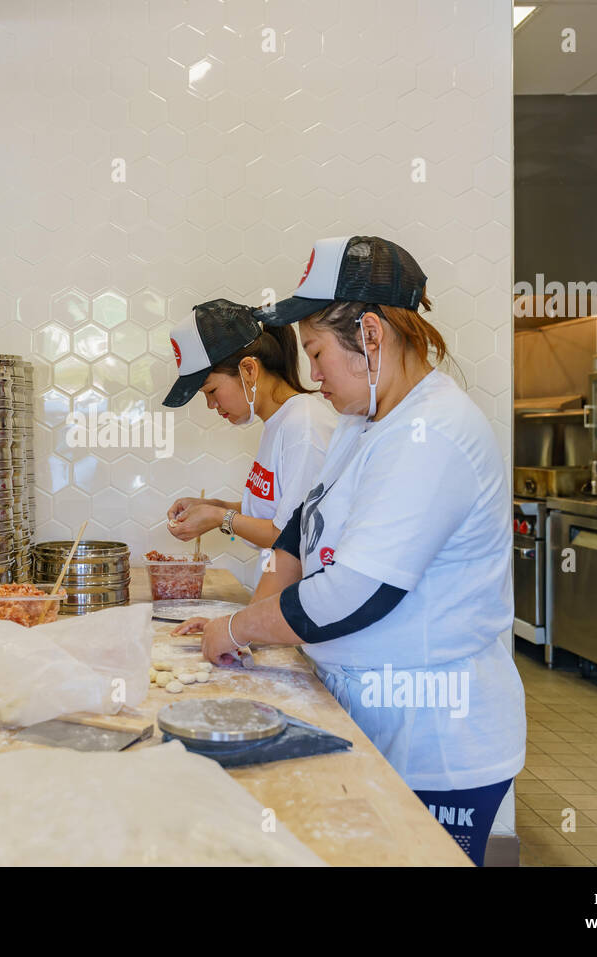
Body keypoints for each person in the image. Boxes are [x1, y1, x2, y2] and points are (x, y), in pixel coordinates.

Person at [175, 236, 526, 865]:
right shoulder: (366, 422)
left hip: (432, 739)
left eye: (316, 352)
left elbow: (356, 592)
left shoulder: (433, 433)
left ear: (370, 336)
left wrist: (236, 626)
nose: (311, 376)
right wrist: (248, 635)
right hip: (373, 715)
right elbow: (299, 529)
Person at [160, 299, 343, 569]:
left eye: (211, 391)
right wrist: (213, 505)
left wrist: (217, 517)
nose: (211, 405)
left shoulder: (304, 427)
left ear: (248, 370)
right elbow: (275, 512)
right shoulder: (279, 423)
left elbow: (287, 536)